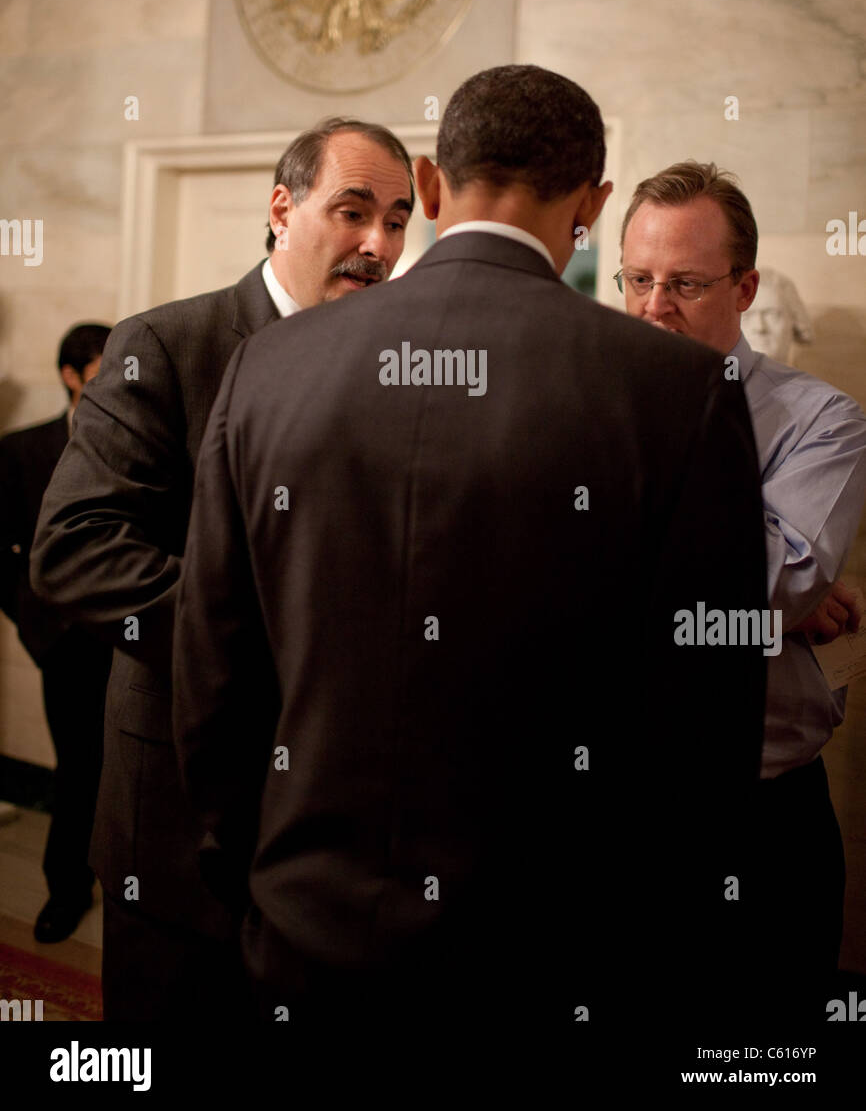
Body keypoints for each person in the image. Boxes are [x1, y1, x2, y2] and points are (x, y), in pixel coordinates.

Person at [173, 66, 768, 1036]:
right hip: (546, 960)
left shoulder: (269, 365)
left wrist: (251, 877)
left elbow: (212, 671)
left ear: (431, 183)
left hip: (300, 936)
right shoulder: (677, 390)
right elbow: (700, 726)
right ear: (593, 203)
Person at [30, 118, 414, 1019]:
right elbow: (75, 549)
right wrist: (273, 633)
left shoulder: (394, 366)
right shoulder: (164, 345)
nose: (379, 245)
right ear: (282, 208)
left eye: (398, 220)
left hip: (337, 826)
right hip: (178, 816)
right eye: (353, 211)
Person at [618, 160, 866, 1022]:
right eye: (638, 280)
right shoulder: (583, 406)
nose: (654, 306)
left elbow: (780, 584)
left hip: (760, 822)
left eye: (684, 283)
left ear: (745, 286)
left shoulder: (819, 419)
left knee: (757, 1070)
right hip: (610, 822)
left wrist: (784, 608)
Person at [0, 324, 112, 943]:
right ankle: (66, 891)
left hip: (131, 639)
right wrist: (37, 626)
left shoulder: (144, 443)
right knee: (75, 768)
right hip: (64, 645)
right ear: (71, 376)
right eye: (101, 368)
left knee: (128, 768)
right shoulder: (21, 451)